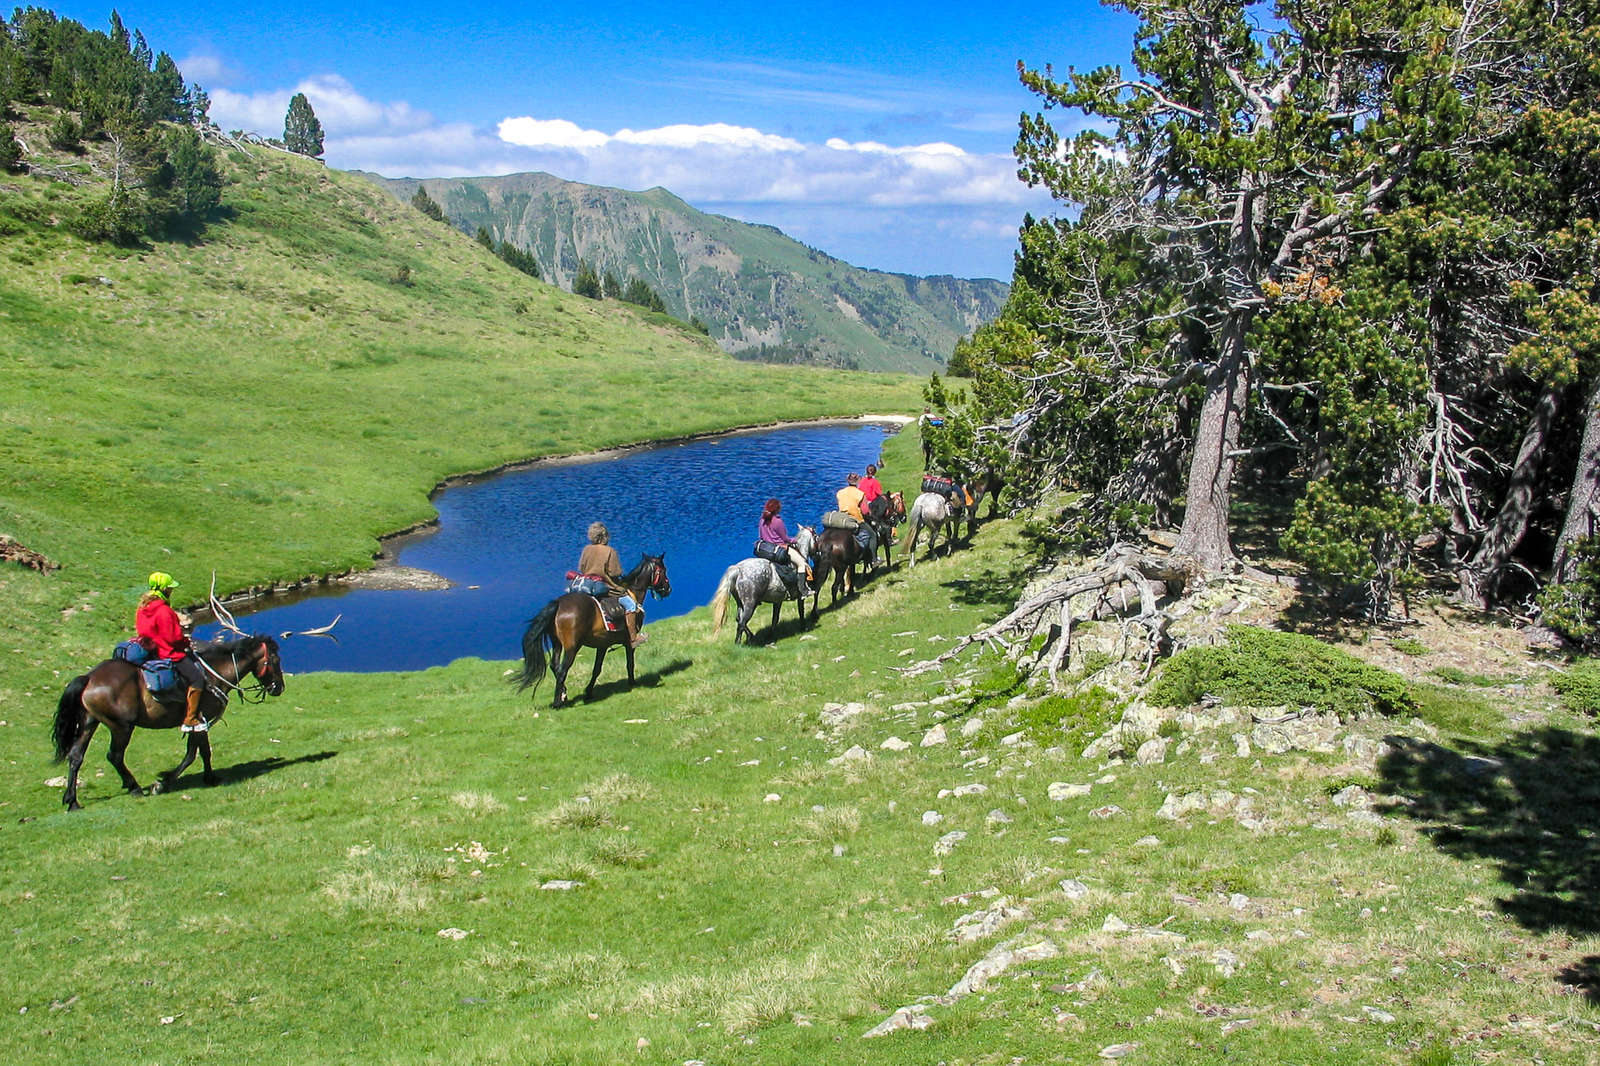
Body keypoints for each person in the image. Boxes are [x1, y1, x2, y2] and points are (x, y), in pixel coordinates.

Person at [135, 571, 208, 731]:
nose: (171, 590)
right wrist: (186, 642)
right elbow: (173, 638)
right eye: (170, 588)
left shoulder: (142, 608)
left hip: (150, 653)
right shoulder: (164, 611)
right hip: (168, 654)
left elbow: (141, 631)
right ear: (164, 589)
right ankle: (190, 719)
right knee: (197, 679)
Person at [575, 522, 647, 648]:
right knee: (631, 605)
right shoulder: (610, 551)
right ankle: (633, 638)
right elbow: (615, 572)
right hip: (606, 587)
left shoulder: (586, 549)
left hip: (588, 586)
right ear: (605, 536)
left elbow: (581, 567)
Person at [758, 498, 812, 594]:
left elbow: (762, 536)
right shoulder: (778, 521)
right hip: (779, 548)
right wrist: (795, 540)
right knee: (801, 564)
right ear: (777, 509)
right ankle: (803, 591)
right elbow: (785, 539)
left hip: (765, 548)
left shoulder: (762, 519)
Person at [836, 473, 877, 563]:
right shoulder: (860, 494)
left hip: (842, 519)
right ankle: (874, 560)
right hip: (856, 520)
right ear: (858, 481)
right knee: (873, 535)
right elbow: (865, 511)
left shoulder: (840, 493)